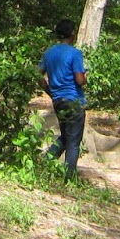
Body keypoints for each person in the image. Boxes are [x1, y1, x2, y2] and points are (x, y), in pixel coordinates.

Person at [39, 17, 87, 178]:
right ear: (72, 33)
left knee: (66, 136)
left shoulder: (49, 53)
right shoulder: (75, 53)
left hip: (58, 101)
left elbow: (37, 75)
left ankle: (46, 162)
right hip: (74, 101)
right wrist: (85, 78)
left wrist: (50, 91)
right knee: (73, 141)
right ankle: (69, 176)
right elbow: (80, 80)